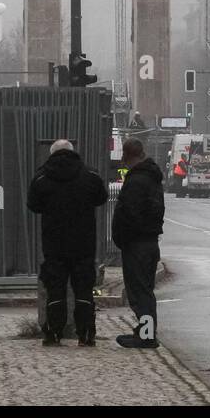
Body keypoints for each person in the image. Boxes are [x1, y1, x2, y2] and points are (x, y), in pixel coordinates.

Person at [26, 139, 108, 347]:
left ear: (52, 154)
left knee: (55, 289)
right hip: (84, 243)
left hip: (54, 244)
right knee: (83, 289)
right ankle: (86, 333)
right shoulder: (90, 175)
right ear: (73, 152)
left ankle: (53, 332)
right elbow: (101, 198)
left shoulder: (42, 177)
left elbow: (33, 205)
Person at [112, 137, 165, 350]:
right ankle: (145, 331)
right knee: (145, 289)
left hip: (137, 244)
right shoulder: (152, 178)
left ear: (127, 156)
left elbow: (130, 215)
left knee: (139, 291)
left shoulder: (137, 181)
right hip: (149, 242)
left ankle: (146, 336)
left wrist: (123, 237)